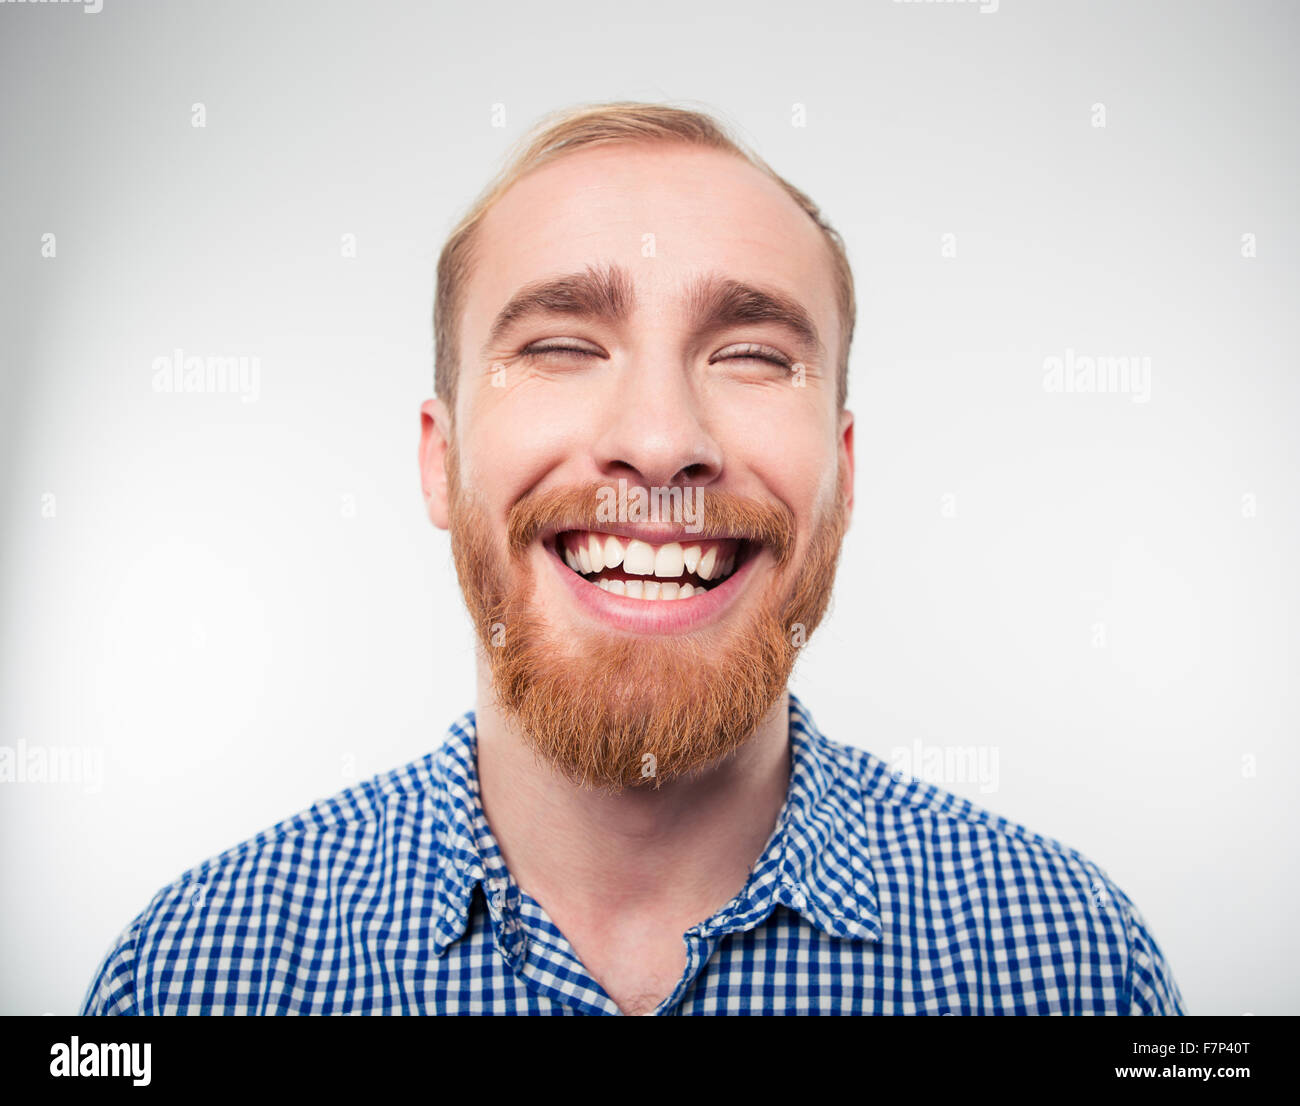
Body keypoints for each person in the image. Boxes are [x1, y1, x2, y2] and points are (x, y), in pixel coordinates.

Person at [81, 101, 1184, 1015]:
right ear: (441, 458)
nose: (659, 439)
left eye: (752, 355)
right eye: (560, 346)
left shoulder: (1082, 965)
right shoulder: (178, 979)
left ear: (842, 476)